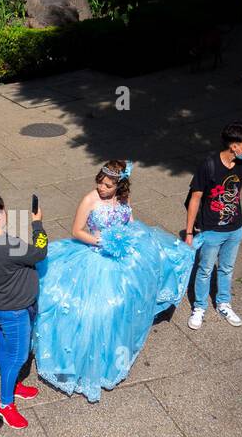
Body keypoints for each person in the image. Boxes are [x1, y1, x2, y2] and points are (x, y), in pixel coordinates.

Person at [33, 161, 195, 403]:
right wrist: (100, 242)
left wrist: (125, 238)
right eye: (100, 182)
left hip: (122, 257)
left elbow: (130, 222)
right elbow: (77, 231)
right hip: (93, 256)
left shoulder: (124, 199)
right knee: (91, 310)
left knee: (124, 302)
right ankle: (85, 358)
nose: (102, 187)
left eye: (108, 185)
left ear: (119, 185)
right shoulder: (89, 199)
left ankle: (113, 350)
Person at [0, 193, 48, 429]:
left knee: (5, 347)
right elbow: (40, 251)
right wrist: (37, 224)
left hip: (0, 306)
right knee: (18, 356)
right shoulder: (7, 245)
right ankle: (6, 404)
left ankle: (13, 384)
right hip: (15, 310)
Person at [184, 123, 242, 330]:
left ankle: (224, 303)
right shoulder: (208, 165)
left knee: (227, 268)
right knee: (205, 269)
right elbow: (195, 198)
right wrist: (189, 232)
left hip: (235, 229)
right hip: (211, 230)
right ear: (234, 146)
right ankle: (199, 307)